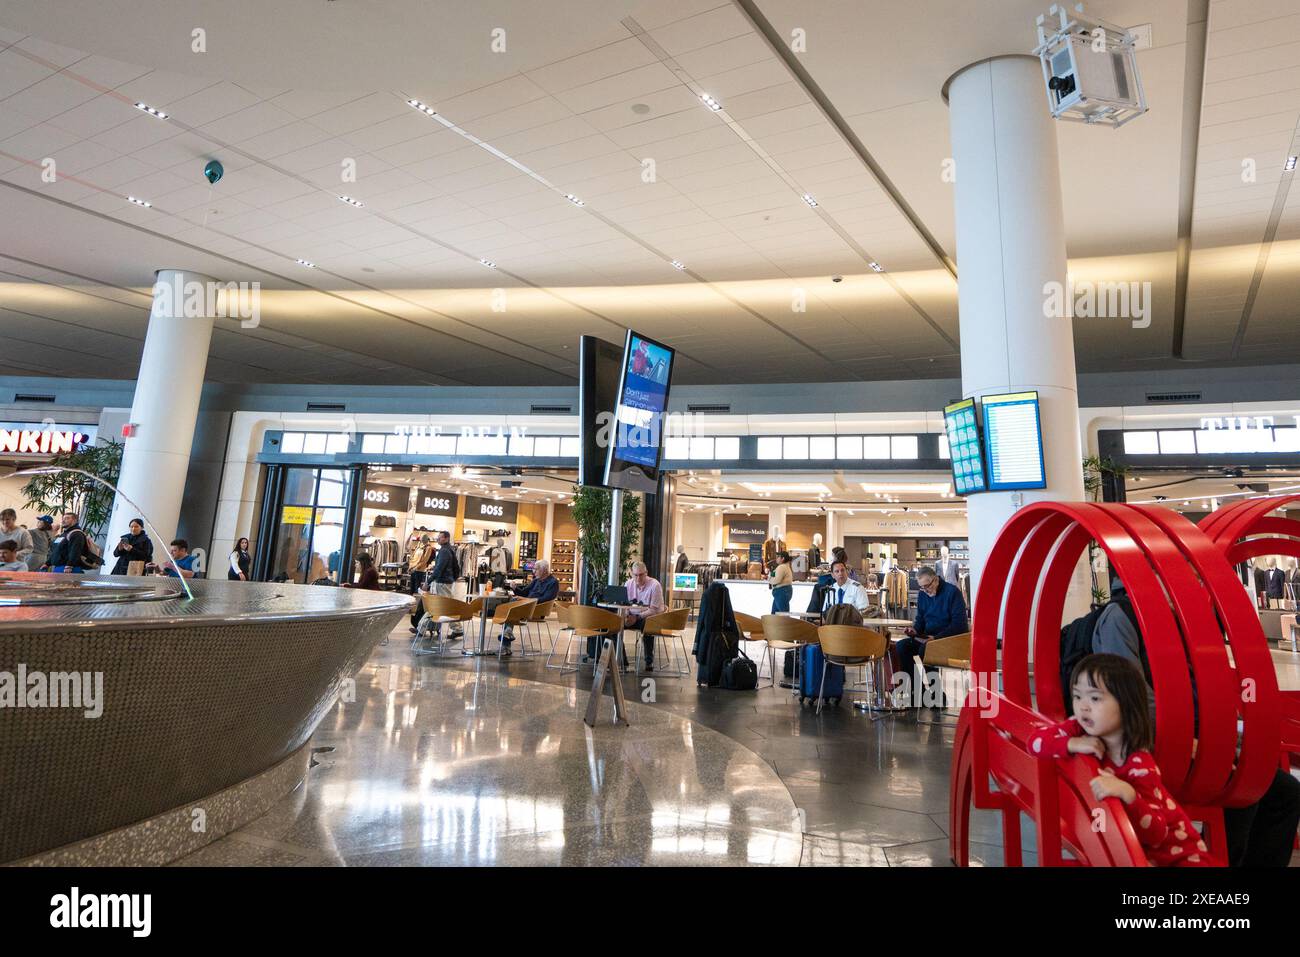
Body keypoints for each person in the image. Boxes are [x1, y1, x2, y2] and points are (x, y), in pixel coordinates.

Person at [1099, 573, 1300, 867]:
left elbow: (1200, 680)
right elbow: (1131, 698)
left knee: (1284, 793)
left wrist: (1222, 729)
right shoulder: (1120, 616)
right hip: (1150, 745)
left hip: (1196, 741)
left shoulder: (1175, 617)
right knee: (1239, 791)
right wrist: (1187, 741)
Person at [1027, 654, 1218, 866]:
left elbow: (1156, 834)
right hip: (1127, 853)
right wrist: (1071, 744)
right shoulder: (1078, 729)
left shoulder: (1141, 766)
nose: (1083, 706)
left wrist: (1129, 795)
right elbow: (1034, 742)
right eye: (1077, 696)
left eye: (1095, 698)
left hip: (1178, 857)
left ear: (1126, 704)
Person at [895, 565, 968, 696]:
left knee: (927, 648)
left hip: (949, 639)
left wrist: (936, 638)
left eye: (927, 586)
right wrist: (914, 631)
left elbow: (960, 625)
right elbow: (921, 619)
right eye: (921, 587)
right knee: (901, 646)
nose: (925, 590)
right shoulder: (923, 594)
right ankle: (917, 691)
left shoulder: (952, 592)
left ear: (935, 580)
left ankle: (937, 694)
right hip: (928, 638)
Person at [498, 559, 559, 653]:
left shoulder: (553, 582)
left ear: (544, 570)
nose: (533, 571)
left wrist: (527, 600)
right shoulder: (536, 581)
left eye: (536, 569)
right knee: (512, 603)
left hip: (538, 610)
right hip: (526, 607)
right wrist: (515, 588)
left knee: (512, 607)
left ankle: (507, 640)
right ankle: (507, 637)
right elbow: (524, 592)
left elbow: (547, 599)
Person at [616, 561, 665, 671]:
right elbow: (625, 605)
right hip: (633, 616)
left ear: (646, 573)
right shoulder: (628, 584)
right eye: (635, 575)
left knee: (647, 624)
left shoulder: (655, 585)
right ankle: (623, 661)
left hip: (651, 617)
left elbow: (653, 609)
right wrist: (627, 616)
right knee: (616, 625)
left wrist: (637, 618)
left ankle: (649, 662)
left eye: (641, 575)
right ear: (632, 574)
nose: (638, 578)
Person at [416, 530, 463, 641]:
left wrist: (428, 582)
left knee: (437, 606)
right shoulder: (448, 550)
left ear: (446, 538)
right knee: (442, 607)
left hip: (442, 583)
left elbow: (439, 569)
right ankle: (421, 628)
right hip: (445, 582)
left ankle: (421, 629)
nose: (438, 539)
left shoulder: (444, 551)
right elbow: (455, 567)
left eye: (440, 537)